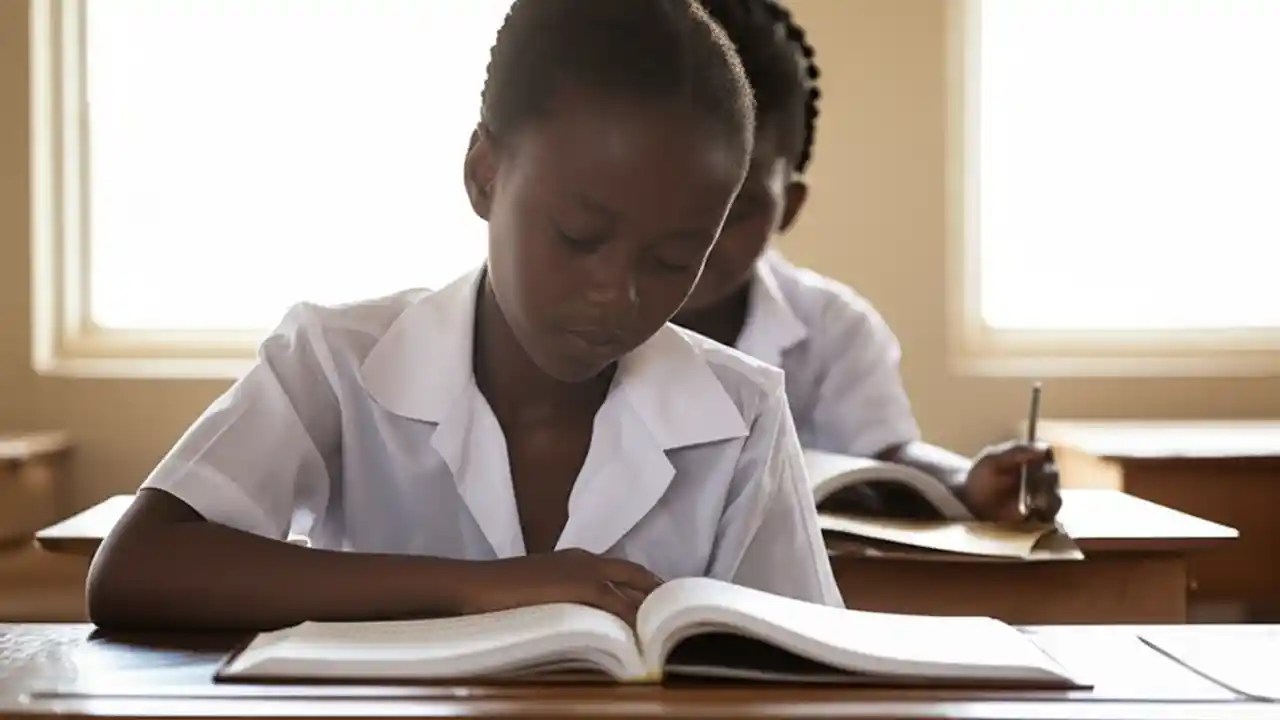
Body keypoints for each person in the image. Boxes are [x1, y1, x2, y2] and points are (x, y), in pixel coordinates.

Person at [86, 0, 842, 632]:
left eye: (675, 261)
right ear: (484, 174)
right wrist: (484, 587)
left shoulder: (742, 414)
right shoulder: (336, 360)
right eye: (579, 238)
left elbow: (802, 656)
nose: (620, 294)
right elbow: (135, 569)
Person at [674, 0, 1060, 523]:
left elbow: (888, 457)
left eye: (736, 210)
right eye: (675, 200)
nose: (698, 236)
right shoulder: (592, 315)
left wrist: (966, 483)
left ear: (789, 207)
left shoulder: (832, 329)